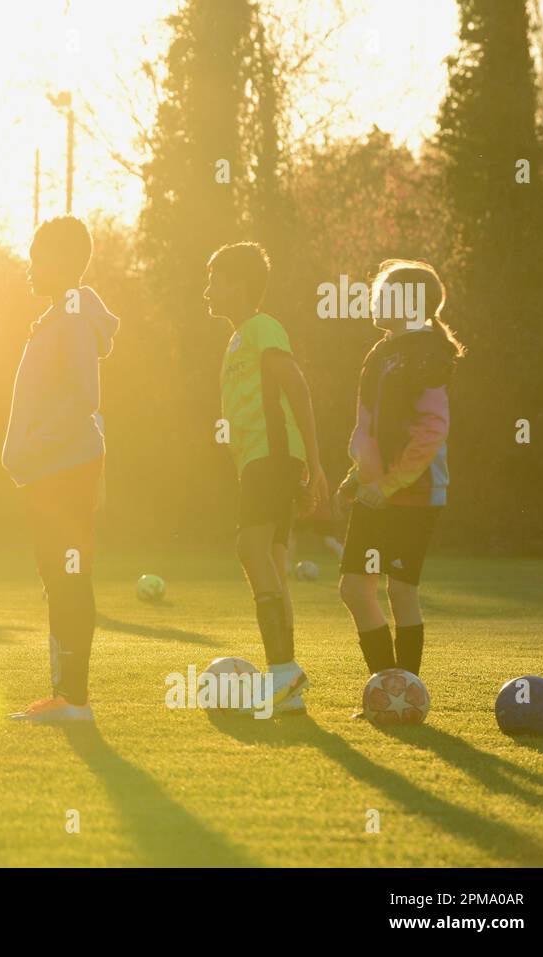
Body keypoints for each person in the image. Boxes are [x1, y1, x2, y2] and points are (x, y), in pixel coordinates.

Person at [4, 216, 119, 723]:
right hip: (52, 469)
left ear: (62, 262)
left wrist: (31, 448)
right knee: (58, 576)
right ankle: (64, 694)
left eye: (36, 257)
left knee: (69, 575)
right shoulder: (58, 316)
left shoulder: (70, 319)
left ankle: (73, 699)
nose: (29, 268)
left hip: (65, 467)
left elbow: (83, 399)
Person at [206, 241, 327, 715]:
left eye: (216, 279)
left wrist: (313, 462)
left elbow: (297, 388)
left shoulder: (263, 326)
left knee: (251, 548)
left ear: (238, 285)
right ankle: (288, 683)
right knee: (273, 558)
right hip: (258, 461)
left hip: (273, 457)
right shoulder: (236, 338)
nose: (208, 289)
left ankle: (282, 672)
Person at [337, 260, 463, 688]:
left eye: (385, 291)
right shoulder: (383, 350)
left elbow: (431, 431)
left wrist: (388, 485)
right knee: (355, 589)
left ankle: (404, 693)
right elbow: (369, 425)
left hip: (413, 494)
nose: (374, 298)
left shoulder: (426, 353)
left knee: (400, 591)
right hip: (374, 492)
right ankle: (387, 689)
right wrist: (358, 475)